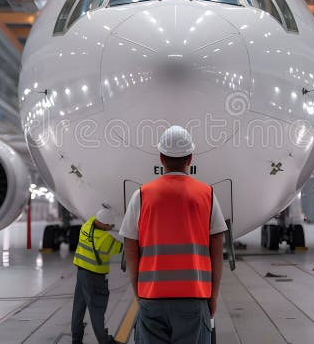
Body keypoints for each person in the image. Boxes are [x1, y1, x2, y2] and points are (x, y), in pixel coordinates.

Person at [120, 126, 227, 344]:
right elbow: (217, 246)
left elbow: (130, 246)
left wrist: (138, 291)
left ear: (161, 158)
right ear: (190, 158)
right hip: (194, 298)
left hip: (152, 297)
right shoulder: (207, 194)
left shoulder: (140, 196)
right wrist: (213, 296)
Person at [72, 208, 123, 344]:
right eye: (109, 225)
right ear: (103, 224)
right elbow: (121, 248)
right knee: (97, 310)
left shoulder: (87, 225)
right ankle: (104, 341)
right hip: (95, 278)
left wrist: (105, 208)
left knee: (78, 308)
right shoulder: (104, 239)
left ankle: (76, 340)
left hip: (81, 273)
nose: (110, 228)